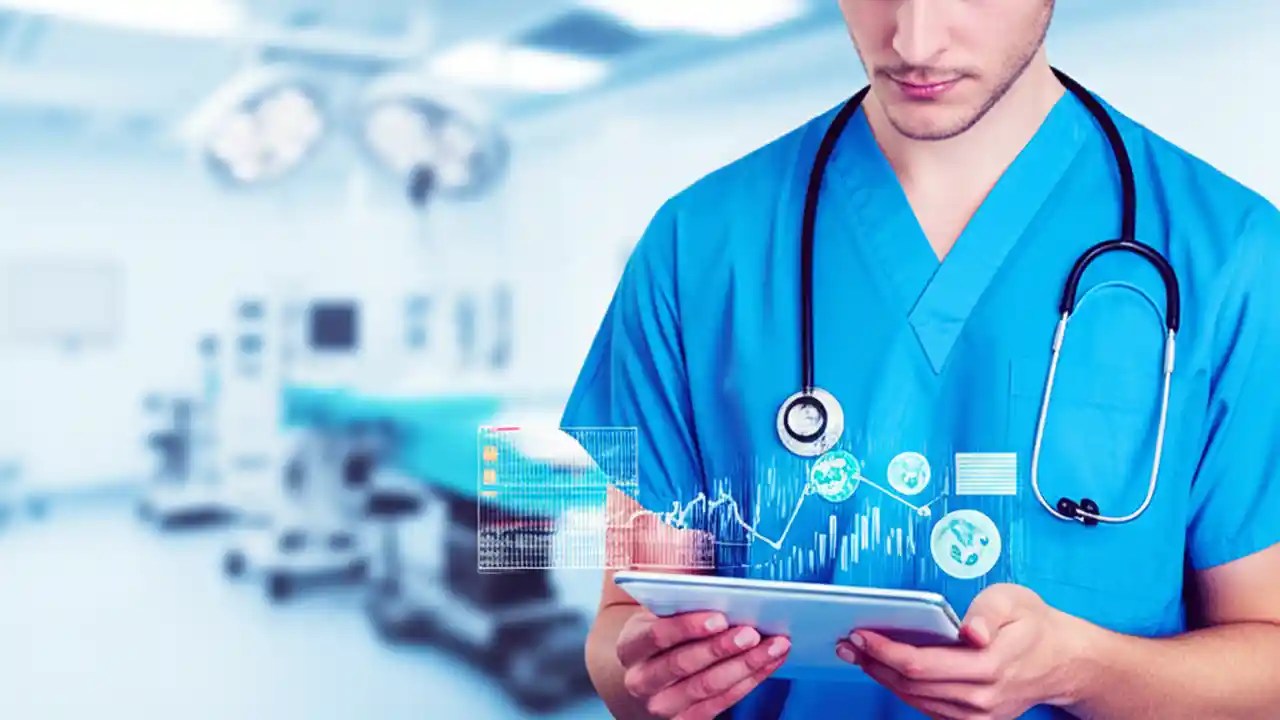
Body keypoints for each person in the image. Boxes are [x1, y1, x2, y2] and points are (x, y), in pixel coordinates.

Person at [560, 1, 1280, 718]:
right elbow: (620, 629)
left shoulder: (1233, 255)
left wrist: (1080, 673)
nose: (914, 39)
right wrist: (656, 672)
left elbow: (1267, 661)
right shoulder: (694, 246)